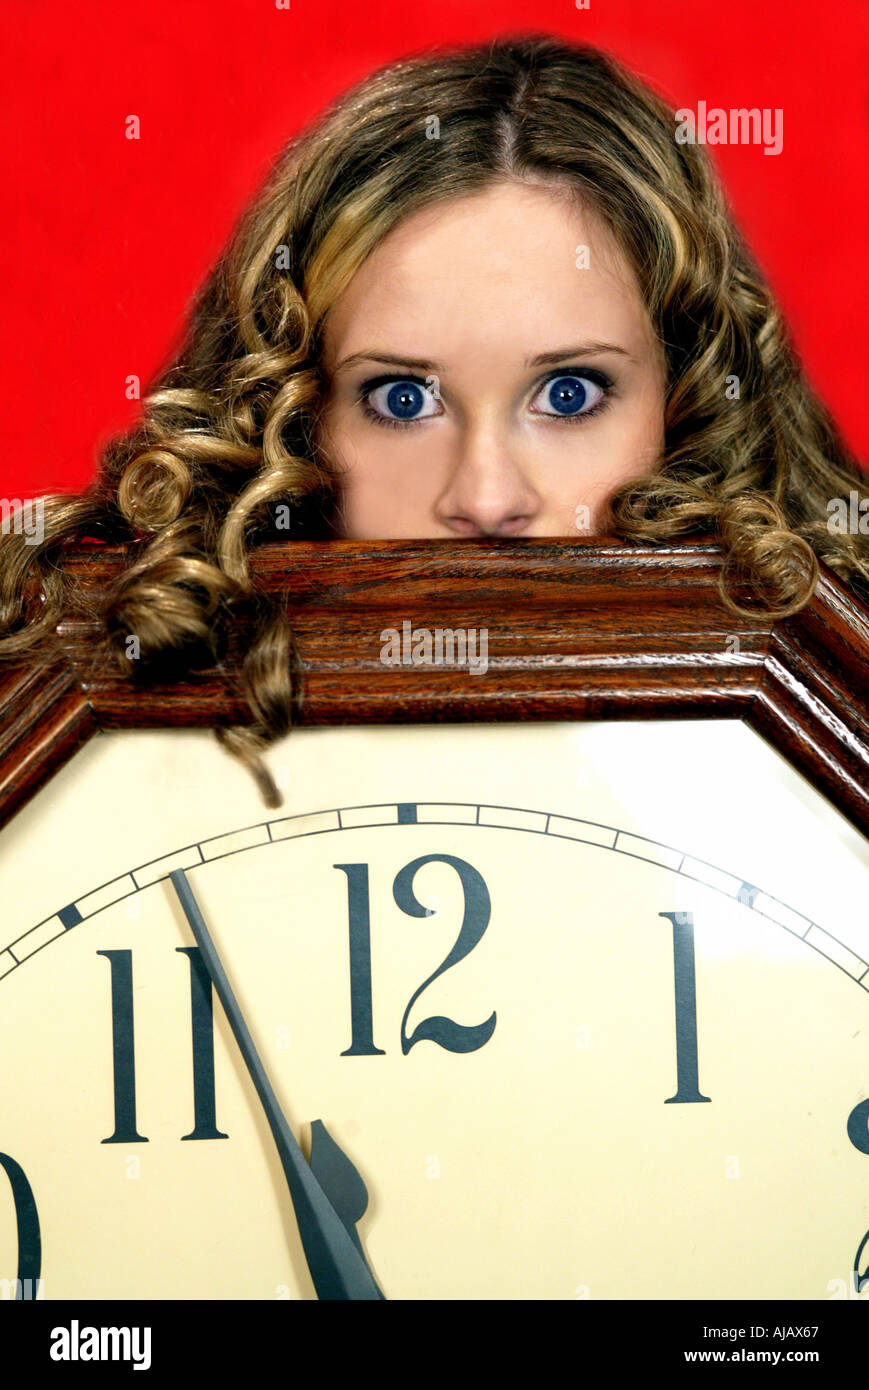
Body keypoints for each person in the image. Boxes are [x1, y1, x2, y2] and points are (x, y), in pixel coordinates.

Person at [1, 35, 867, 806]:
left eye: (568, 394)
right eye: (403, 400)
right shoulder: (119, 759)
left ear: (684, 408)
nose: (486, 501)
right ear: (298, 423)